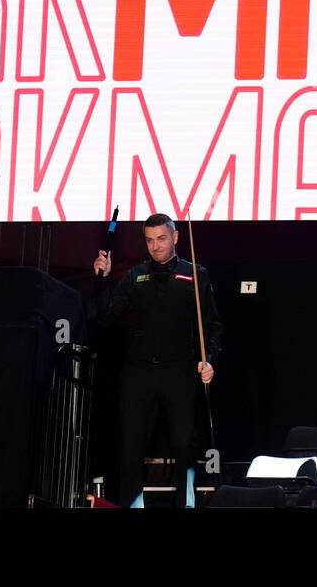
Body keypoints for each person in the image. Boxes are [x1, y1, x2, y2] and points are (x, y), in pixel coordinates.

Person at [94, 213, 222, 508]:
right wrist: (103, 280)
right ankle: (132, 504)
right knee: (131, 448)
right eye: (150, 240)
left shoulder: (194, 274)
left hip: (180, 372)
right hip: (138, 373)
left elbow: (213, 326)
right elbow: (105, 318)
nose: (156, 246)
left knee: (182, 445)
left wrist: (210, 360)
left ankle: (186, 504)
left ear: (175, 237)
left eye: (162, 238)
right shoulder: (135, 276)